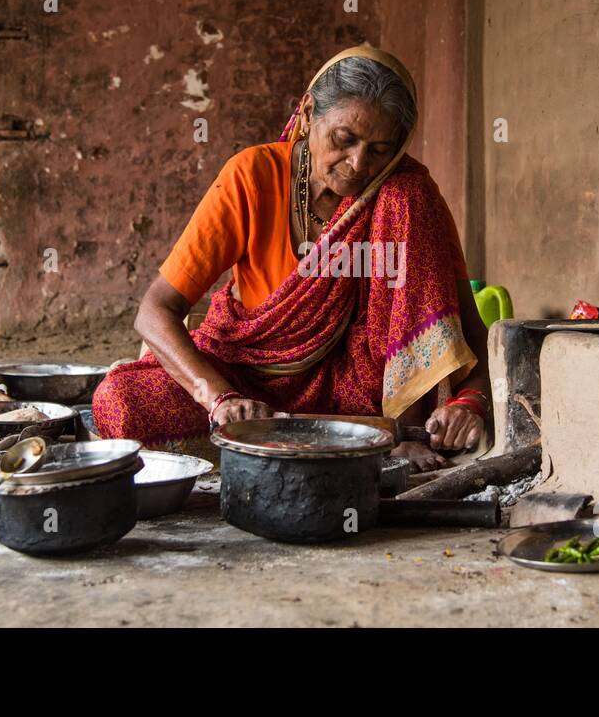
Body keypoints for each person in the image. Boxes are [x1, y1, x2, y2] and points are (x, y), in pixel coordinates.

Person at [93, 46, 492, 471]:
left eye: (379, 150)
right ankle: (352, 445)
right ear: (306, 114)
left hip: (360, 394)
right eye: (344, 139)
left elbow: (468, 333)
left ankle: (383, 434)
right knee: (120, 402)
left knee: (406, 193)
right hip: (246, 382)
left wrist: (471, 402)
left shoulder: (404, 196)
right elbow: (156, 310)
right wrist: (219, 397)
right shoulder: (252, 176)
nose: (358, 163)